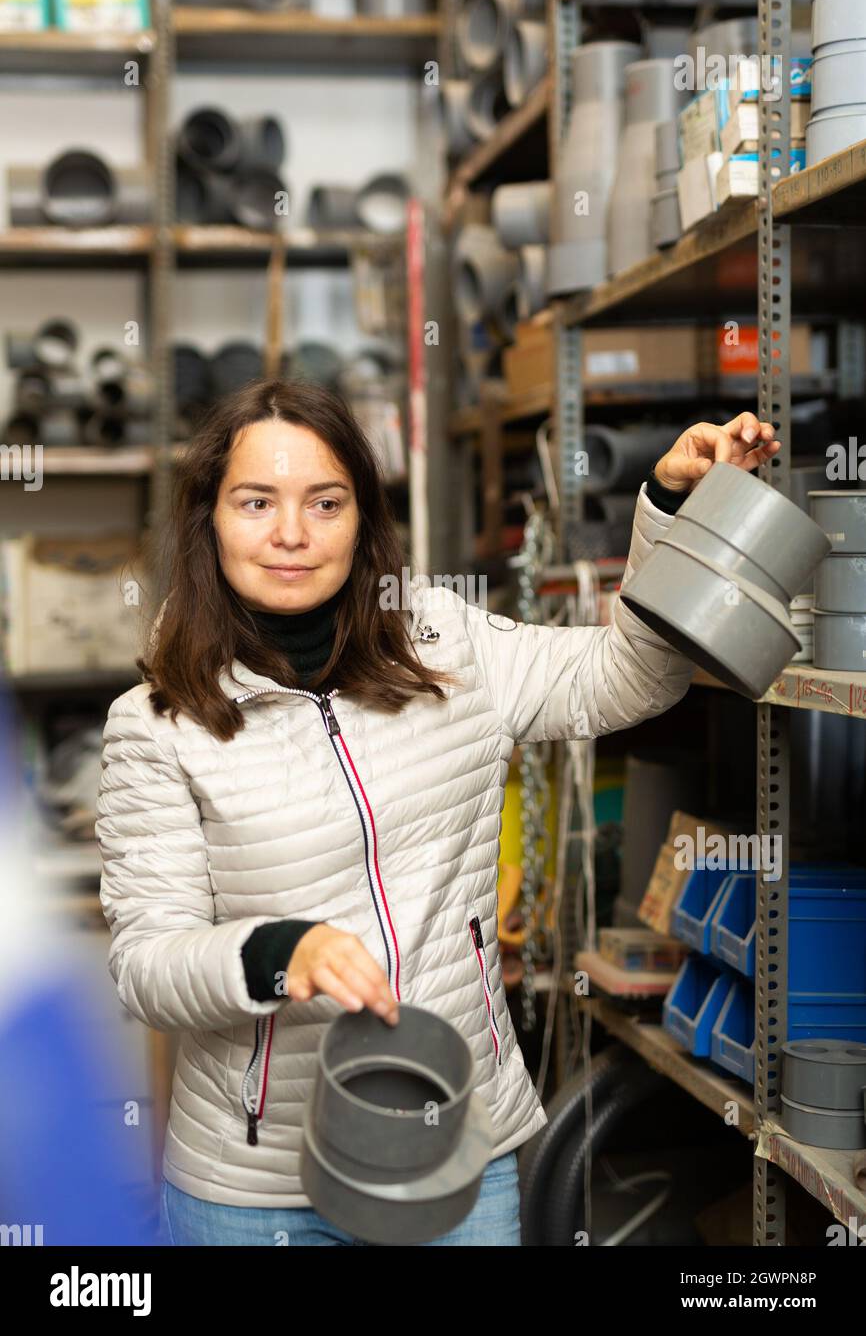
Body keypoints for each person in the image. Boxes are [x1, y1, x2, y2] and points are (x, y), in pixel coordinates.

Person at [95, 381, 779, 1246]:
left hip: (454, 1145)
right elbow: (148, 966)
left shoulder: (444, 644)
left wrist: (674, 504)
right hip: (255, 1184)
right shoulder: (158, 723)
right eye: (256, 502)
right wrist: (278, 952)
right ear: (209, 522)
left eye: (326, 501)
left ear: (363, 518)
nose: (293, 533)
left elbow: (628, 676)